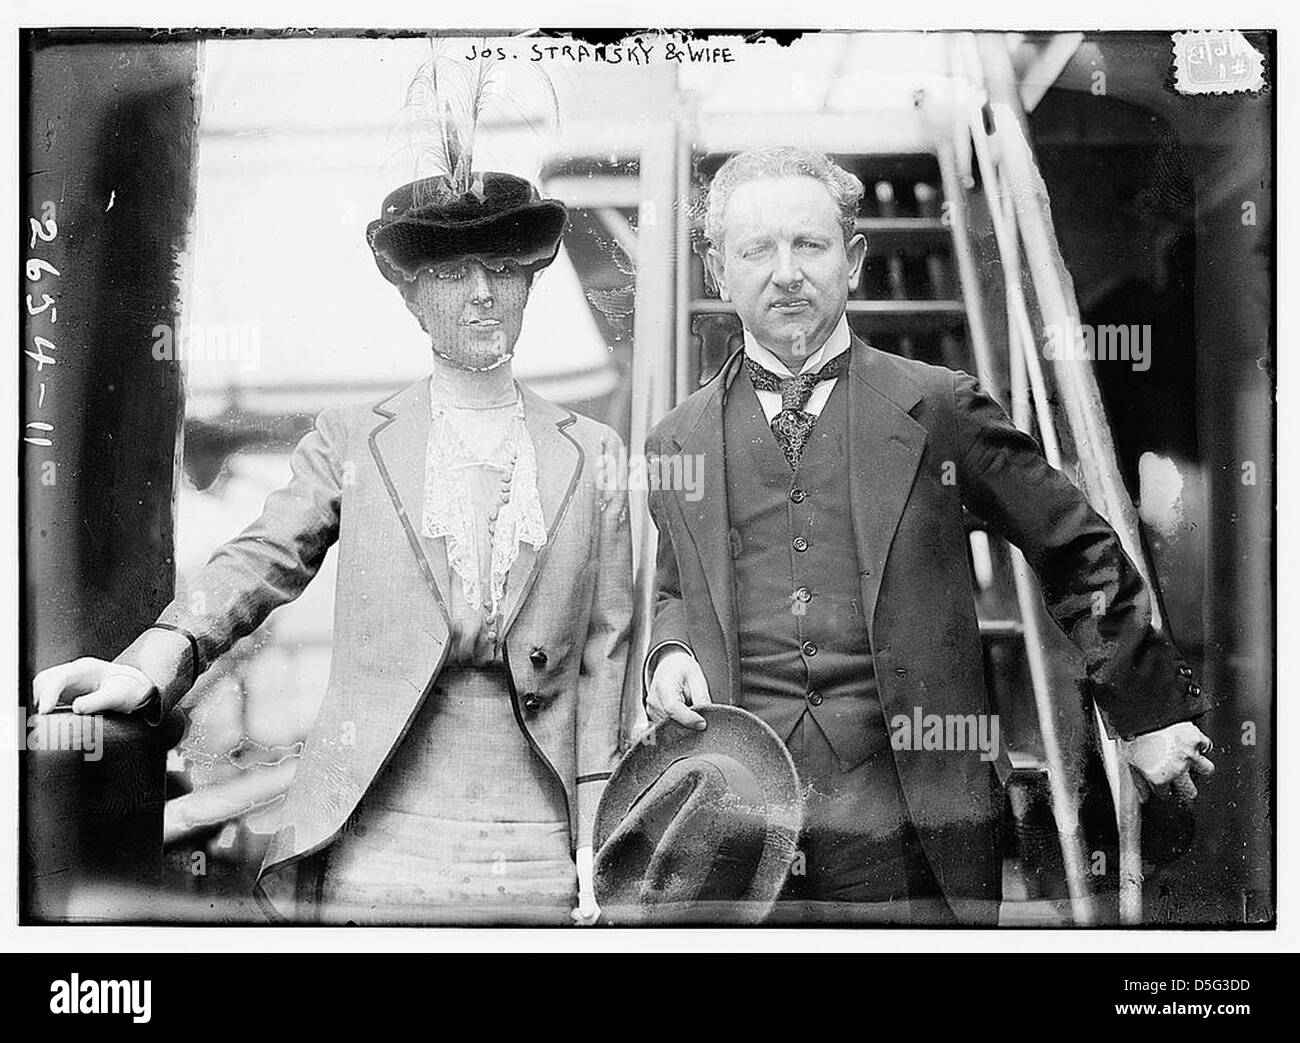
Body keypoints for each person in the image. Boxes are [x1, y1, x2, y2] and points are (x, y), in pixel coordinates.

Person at [33, 171, 633, 925]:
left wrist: (595, 846)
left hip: (539, 834)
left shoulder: (593, 452)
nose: (482, 292)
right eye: (450, 273)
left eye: (504, 268)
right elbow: (261, 558)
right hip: (381, 825)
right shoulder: (353, 436)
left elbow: (604, 658)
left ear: (529, 283)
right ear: (412, 297)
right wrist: (148, 665)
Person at [641, 146, 1214, 925]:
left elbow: (1075, 546)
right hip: (745, 830)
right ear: (716, 269)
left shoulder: (940, 406)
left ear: (854, 260)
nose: (785, 272)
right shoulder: (677, 441)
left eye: (809, 245)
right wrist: (669, 648)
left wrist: (1143, 709)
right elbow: (680, 584)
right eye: (755, 250)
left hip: (914, 823)